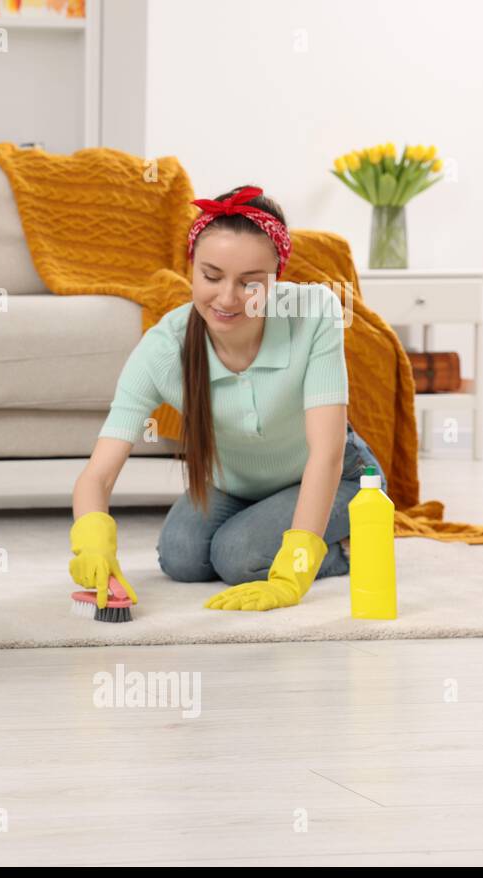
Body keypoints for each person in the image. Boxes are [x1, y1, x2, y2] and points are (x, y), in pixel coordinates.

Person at [70, 185, 386, 613]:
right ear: (192, 268)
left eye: (250, 283)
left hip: (340, 478)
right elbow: (98, 474)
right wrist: (91, 537)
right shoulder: (164, 348)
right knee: (181, 556)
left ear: (277, 278)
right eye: (212, 276)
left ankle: (347, 546)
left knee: (239, 557)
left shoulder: (314, 313)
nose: (227, 298)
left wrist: (296, 566)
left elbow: (327, 453)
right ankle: (264, 527)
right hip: (235, 484)